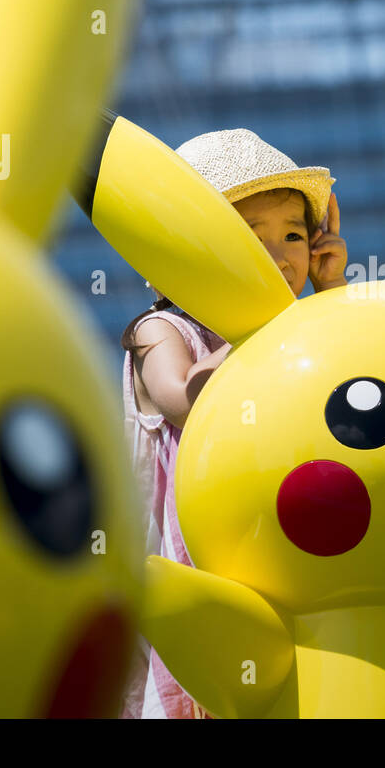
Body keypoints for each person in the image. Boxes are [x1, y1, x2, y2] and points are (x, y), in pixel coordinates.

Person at [119, 128, 348, 718]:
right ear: (184, 251)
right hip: (193, 569)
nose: (278, 256)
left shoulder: (296, 331)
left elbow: (351, 382)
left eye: (294, 235)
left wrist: (330, 296)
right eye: (248, 237)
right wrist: (258, 332)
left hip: (272, 552)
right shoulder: (162, 331)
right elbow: (184, 397)